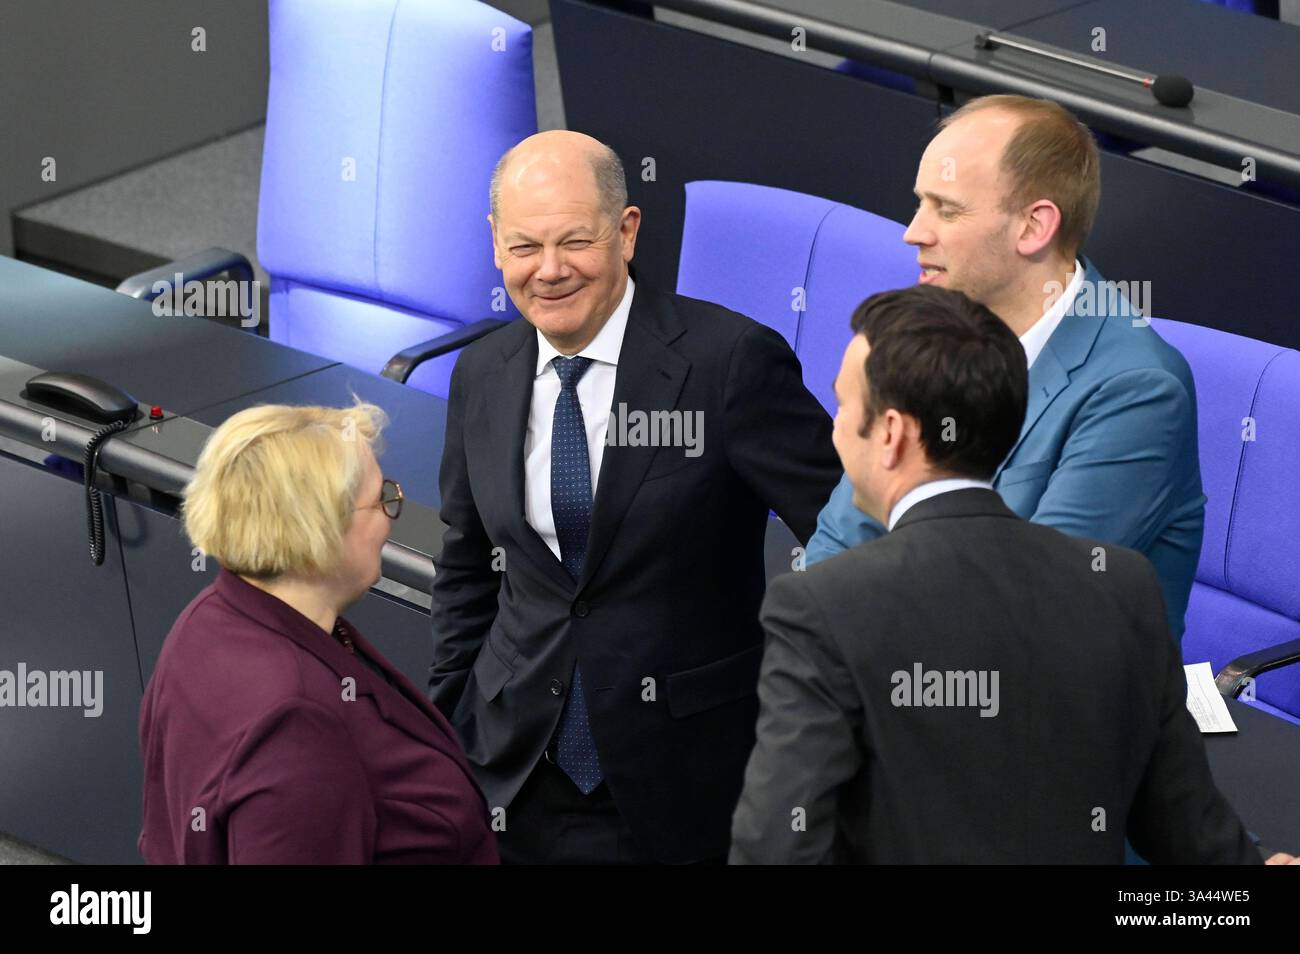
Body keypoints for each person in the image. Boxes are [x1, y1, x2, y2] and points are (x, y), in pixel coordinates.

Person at [730, 286, 1271, 864]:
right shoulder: (1123, 586)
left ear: (890, 435)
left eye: (843, 408)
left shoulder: (818, 608)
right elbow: (1193, 840)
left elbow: (775, 850)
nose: (836, 431)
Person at [428, 130, 841, 864]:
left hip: (686, 782)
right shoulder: (480, 373)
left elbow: (850, 539)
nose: (549, 272)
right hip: (514, 769)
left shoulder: (730, 364)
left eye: (575, 242)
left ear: (627, 232)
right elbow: (466, 566)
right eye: (524, 247)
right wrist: (454, 715)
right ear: (494, 244)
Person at [807, 95, 1203, 642]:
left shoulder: (1138, 391)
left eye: (946, 210)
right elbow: (841, 534)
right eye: (920, 203)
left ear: (1034, 227)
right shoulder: (934, 332)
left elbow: (1020, 608)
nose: (913, 232)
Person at [140, 402, 497, 864]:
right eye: (382, 498)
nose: (392, 517)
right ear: (321, 534)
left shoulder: (205, 619)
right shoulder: (294, 727)